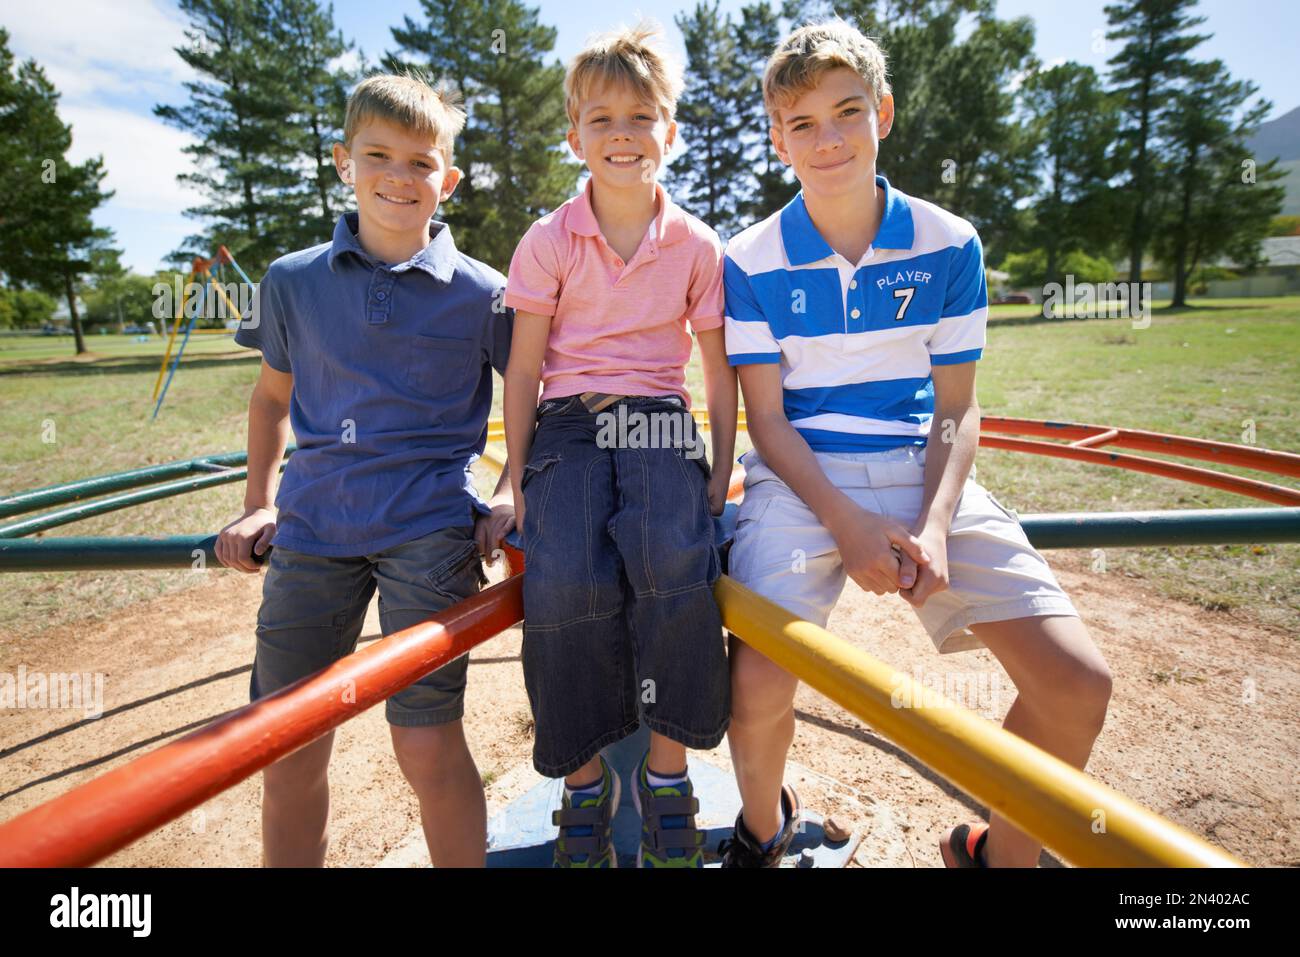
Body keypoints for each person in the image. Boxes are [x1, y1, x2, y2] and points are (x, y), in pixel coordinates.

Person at [720, 20, 1113, 868]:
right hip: (800, 478)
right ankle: (762, 830)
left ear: (885, 113)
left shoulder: (949, 241)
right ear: (778, 139)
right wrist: (845, 521)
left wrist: (933, 524)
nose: (827, 139)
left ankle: (997, 856)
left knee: (1077, 684)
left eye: (847, 112)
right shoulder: (747, 258)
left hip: (921, 467)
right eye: (801, 124)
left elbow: (956, 410)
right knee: (754, 682)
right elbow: (768, 423)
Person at [217, 73, 515, 867]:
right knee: (285, 743)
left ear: (449, 179)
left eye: (421, 162)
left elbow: (538, 395)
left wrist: (509, 491)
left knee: (426, 742)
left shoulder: (484, 293)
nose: (398, 176)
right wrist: (257, 502)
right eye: (378, 155)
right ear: (344, 161)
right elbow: (270, 398)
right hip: (313, 526)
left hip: (429, 533)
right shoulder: (292, 280)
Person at [502, 22, 738, 868]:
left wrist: (721, 467)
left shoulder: (697, 245)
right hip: (569, 419)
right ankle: (584, 779)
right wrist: (514, 480)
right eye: (601, 119)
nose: (622, 134)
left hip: (659, 418)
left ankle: (667, 774)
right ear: (575, 137)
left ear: (670, 130)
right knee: (563, 572)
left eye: (641, 117)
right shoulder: (550, 239)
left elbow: (716, 368)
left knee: (673, 554)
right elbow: (524, 367)